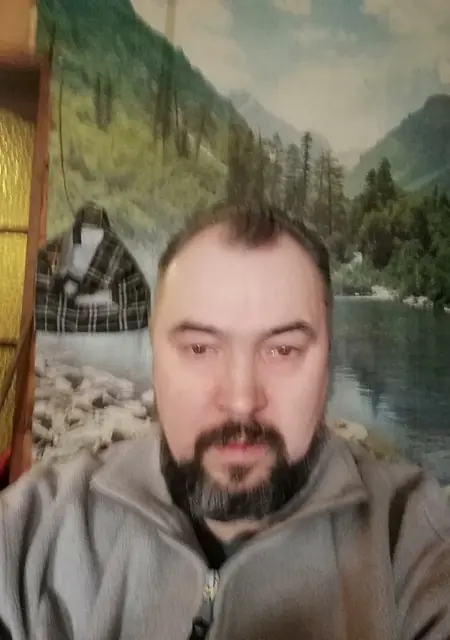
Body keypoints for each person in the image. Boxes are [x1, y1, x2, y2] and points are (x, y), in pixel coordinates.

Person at [0, 203, 449, 640]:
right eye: (200, 348)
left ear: (327, 362)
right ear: (155, 356)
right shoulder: (33, 532)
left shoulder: (415, 538)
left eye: (283, 350)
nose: (240, 402)